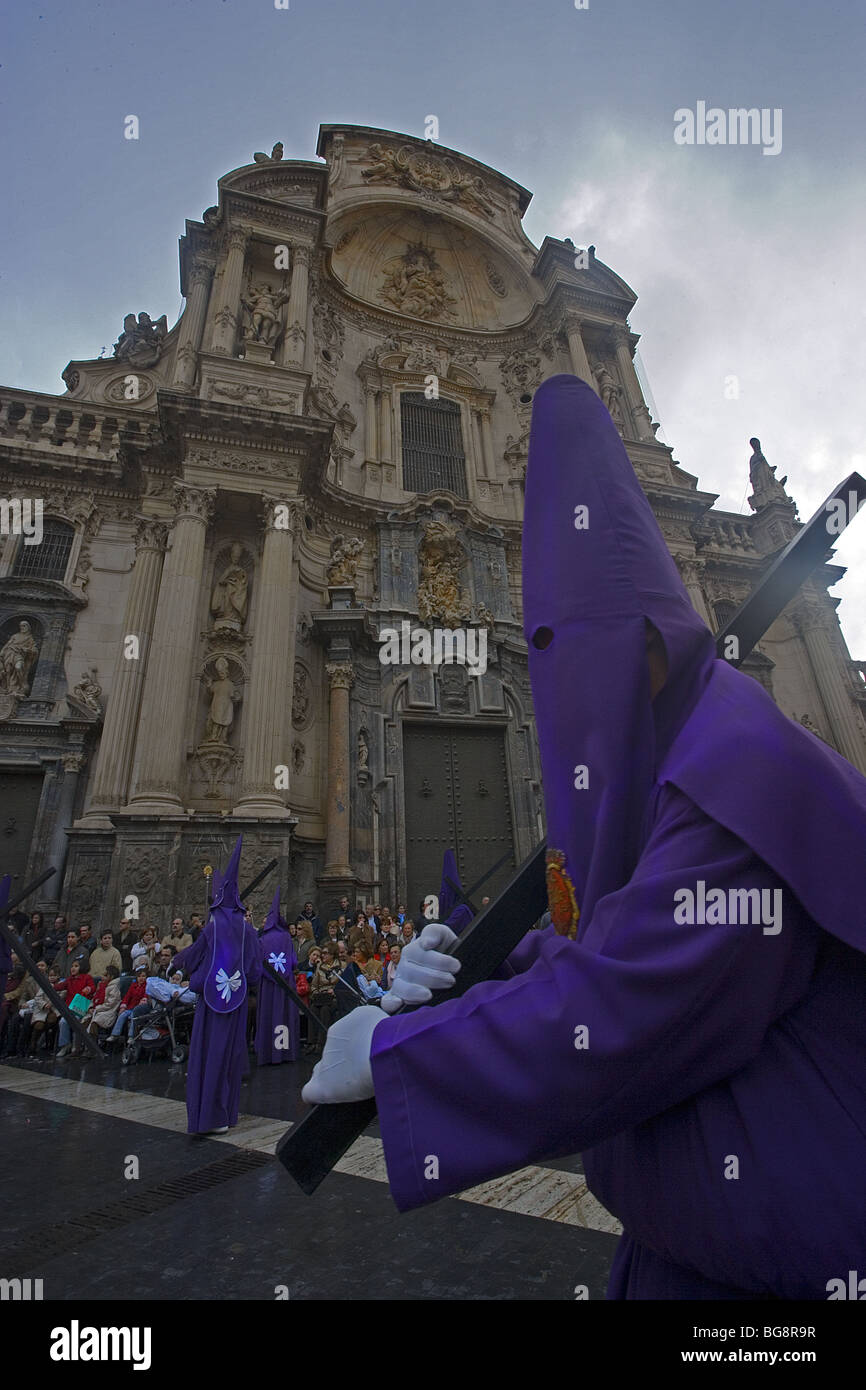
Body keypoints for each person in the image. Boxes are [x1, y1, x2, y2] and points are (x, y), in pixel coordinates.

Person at [303, 373, 866, 1301]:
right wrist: (478, 974)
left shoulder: (739, 770)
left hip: (790, 1276)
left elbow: (629, 1002)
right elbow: (610, 938)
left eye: (591, 654)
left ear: (648, 632)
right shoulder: (680, 754)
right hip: (684, 1242)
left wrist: (398, 1053)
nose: (578, 700)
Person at [170, 837, 262, 1135]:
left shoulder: (211, 928)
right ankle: (225, 1115)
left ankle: (206, 1118)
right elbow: (255, 971)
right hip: (235, 1005)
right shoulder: (248, 931)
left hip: (211, 1004)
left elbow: (191, 958)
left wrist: (179, 965)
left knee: (207, 1055)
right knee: (230, 1057)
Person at [255, 888, 299, 1065]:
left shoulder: (262, 939)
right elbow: (294, 962)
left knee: (268, 1015)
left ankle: (267, 1052)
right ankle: (284, 1051)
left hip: (268, 985)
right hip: (285, 984)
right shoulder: (286, 938)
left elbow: (258, 963)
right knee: (283, 1015)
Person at [55, 959, 97, 1056]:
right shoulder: (69, 979)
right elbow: (60, 986)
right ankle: (65, 1045)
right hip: (70, 1006)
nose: (73, 968)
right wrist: (52, 985)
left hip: (81, 1004)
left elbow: (92, 987)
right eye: (72, 966)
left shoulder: (87, 977)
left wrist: (89, 989)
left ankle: (75, 1046)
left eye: (76, 966)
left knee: (76, 1021)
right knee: (63, 1022)